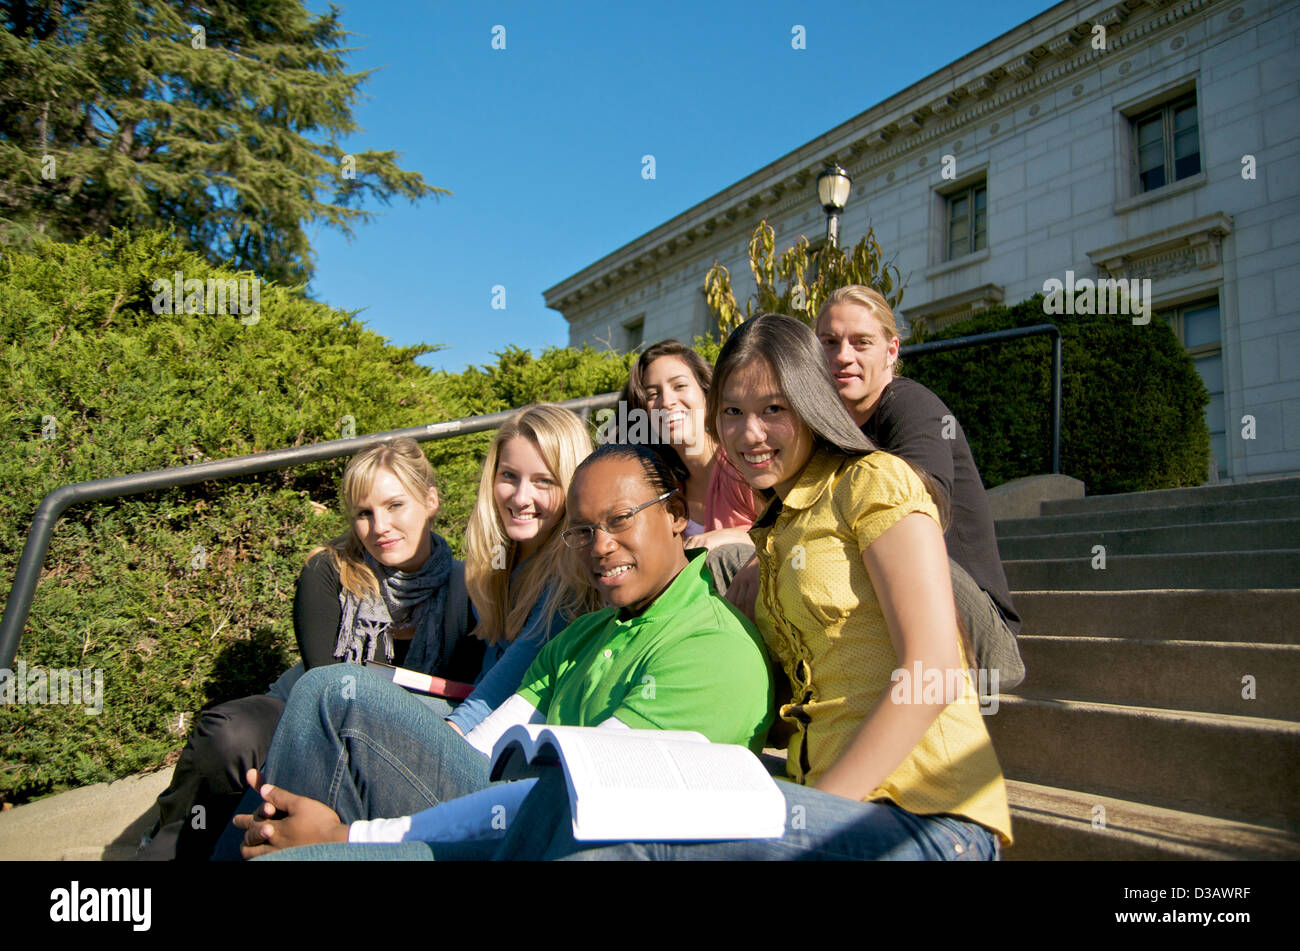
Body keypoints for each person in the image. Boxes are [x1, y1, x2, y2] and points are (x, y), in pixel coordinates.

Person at [470, 312, 1014, 861]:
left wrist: (814, 811)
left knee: (634, 829)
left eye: (773, 409)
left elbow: (934, 671)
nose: (749, 433)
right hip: (826, 800)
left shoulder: (875, 480)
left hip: (930, 822)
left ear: (810, 401)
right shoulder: (776, 532)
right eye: (732, 411)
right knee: (586, 804)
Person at [228, 442, 774, 858]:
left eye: (619, 519)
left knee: (331, 707)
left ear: (677, 513)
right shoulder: (585, 634)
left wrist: (350, 835)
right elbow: (480, 752)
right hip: (507, 810)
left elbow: (570, 803)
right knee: (327, 705)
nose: (601, 546)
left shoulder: (708, 646)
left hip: (558, 838)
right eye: (582, 531)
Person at [137, 436, 480, 860]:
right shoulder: (329, 571)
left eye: (395, 506)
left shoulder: (470, 591)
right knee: (232, 734)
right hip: (307, 711)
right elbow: (324, 686)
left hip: (403, 738)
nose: (380, 527)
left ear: (430, 501)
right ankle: (174, 844)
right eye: (363, 514)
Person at [815, 285, 1024, 688]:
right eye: (830, 341)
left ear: (891, 351)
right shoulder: (829, 431)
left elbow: (922, 499)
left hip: (979, 633)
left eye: (862, 343)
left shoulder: (910, 404)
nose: (843, 356)